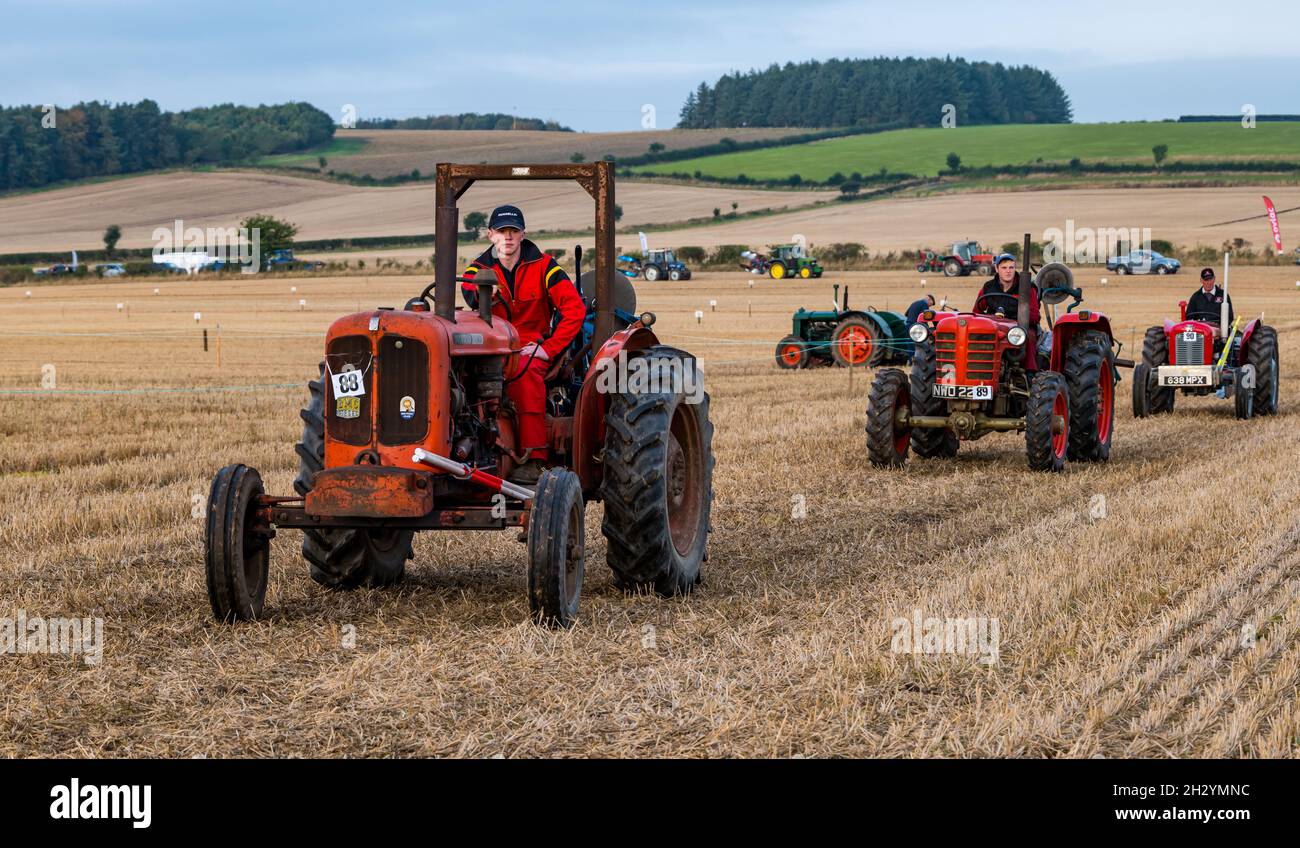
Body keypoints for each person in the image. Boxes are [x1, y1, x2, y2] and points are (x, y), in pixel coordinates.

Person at [461, 205, 586, 485]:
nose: (508, 237)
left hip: (532, 347)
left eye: (513, 231)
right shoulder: (478, 268)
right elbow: (469, 290)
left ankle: (533, 458)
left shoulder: (545, 267)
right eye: (502, 231)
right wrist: (483, 291)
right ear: (491, 235)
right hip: (492, 348)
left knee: (524, 372)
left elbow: (575, 310)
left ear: (522, 234)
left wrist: (550, 348)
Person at [976, 253, 1041, 370]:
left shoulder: (1027, 288)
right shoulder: (988, 287)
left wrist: (1018, 316)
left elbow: (1035, 316)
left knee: (1029, 337)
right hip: (994, 327)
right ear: (996, 269)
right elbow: (977, 311)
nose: (1008, 271)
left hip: (1018, 327)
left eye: (1011, 267)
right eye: (1004, 268)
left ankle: (1030, 372)